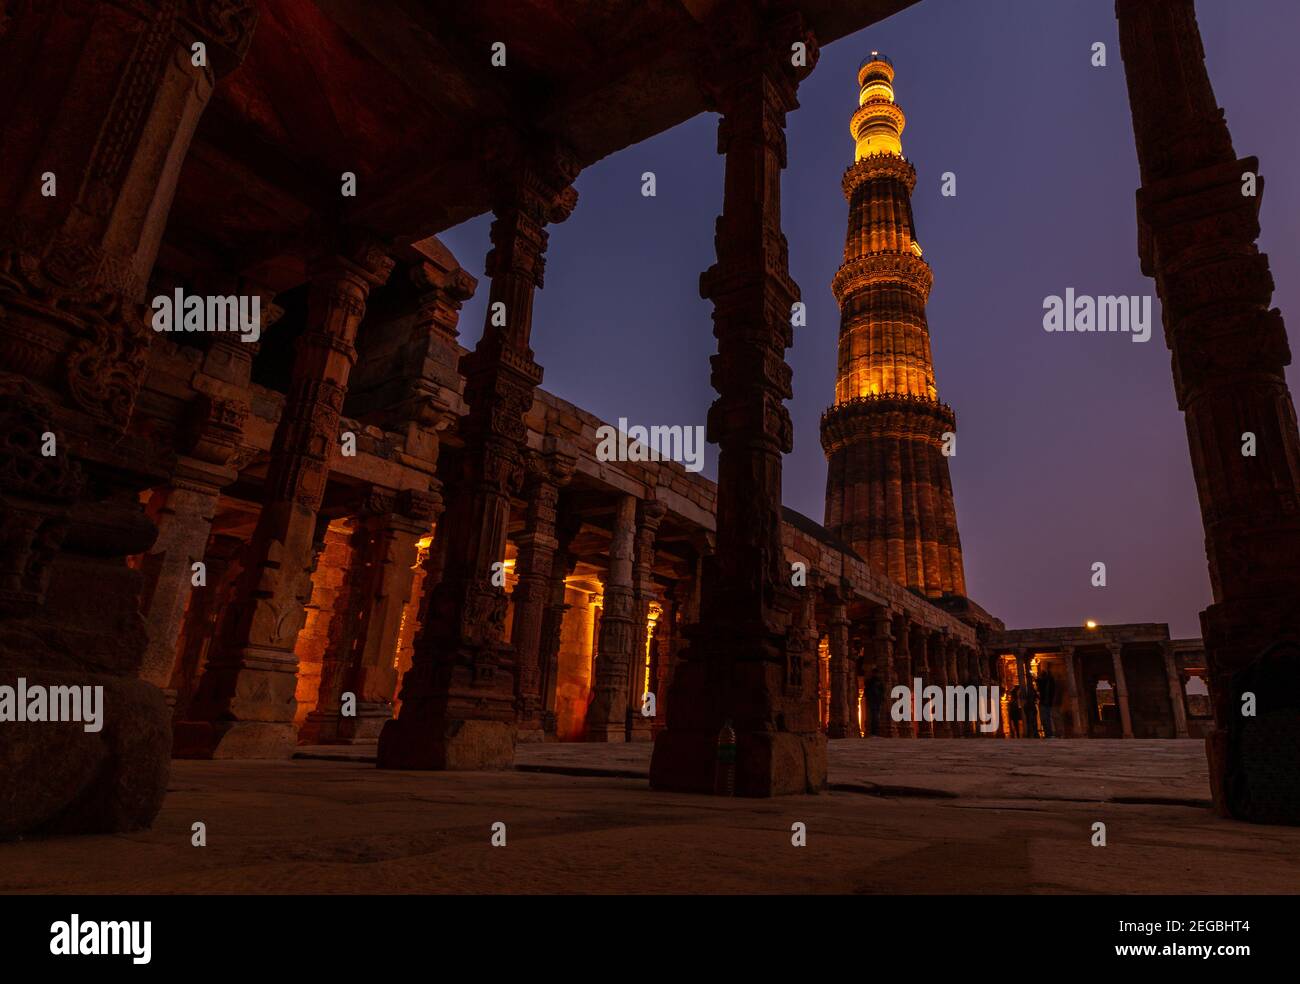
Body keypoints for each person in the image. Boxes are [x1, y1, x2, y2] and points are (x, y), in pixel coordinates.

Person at [1038, 668, 1058, 738]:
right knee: (1046, 719)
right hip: (1046, 702)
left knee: (1046, 718)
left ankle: (1049, 733)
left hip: (1046, 703)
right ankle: (1048, 733)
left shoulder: (1047, 682)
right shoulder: (1047, 682)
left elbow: (1040, 684)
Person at [866, 671, 886, 736]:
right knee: (875, 716)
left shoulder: (874, 682)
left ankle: (875, 731)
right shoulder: (873, 682)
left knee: (875, 716)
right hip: (875, 701)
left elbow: (882, 691)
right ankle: (874, 731)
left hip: (875, 701)